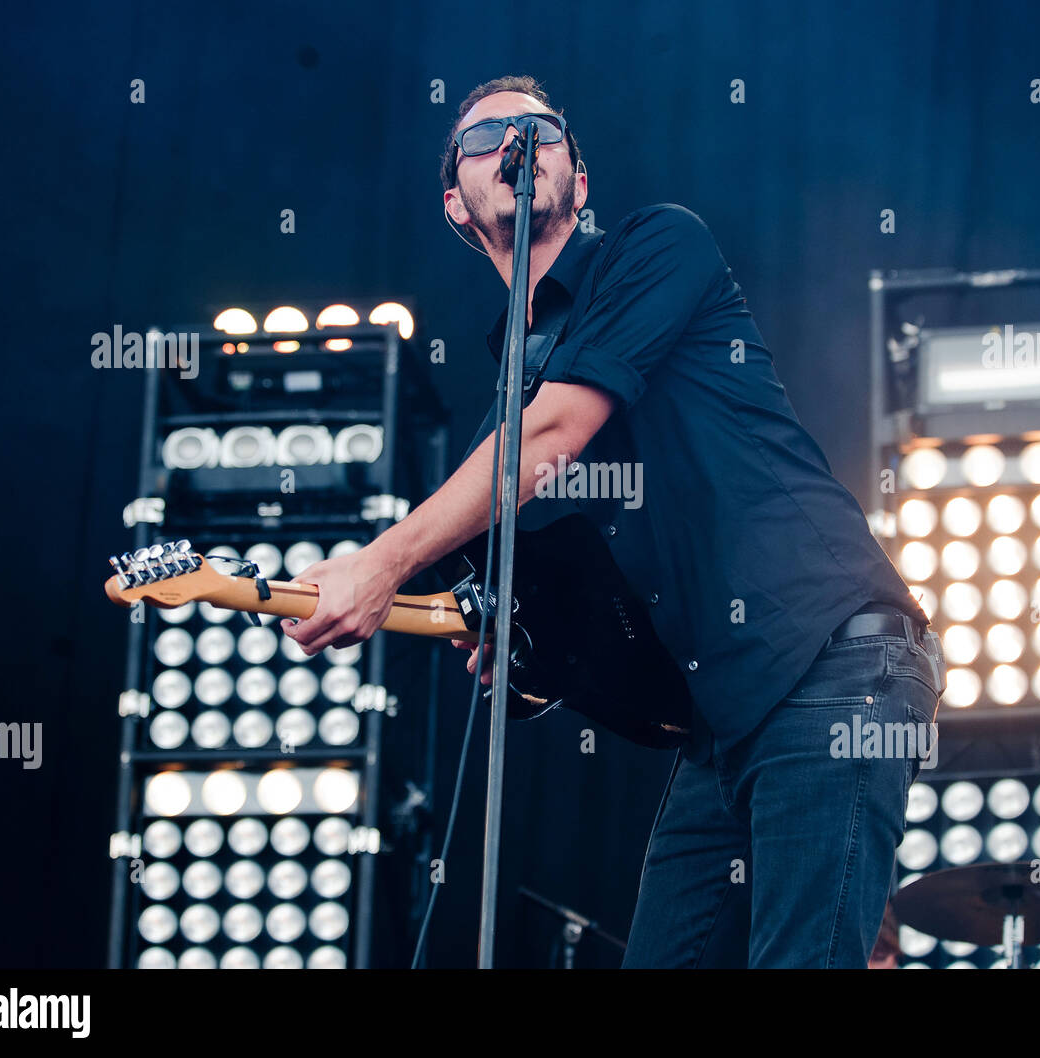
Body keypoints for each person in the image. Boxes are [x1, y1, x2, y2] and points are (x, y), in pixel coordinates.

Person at [283, 75, 946, 968]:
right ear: (456, 204)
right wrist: (522, 652)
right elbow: (519, 584)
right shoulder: (509, 400)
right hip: (727, 719)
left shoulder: (660, 245)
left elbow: (554, 433)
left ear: (579, 181)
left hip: (833, 663)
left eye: (541, 129)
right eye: (487, 138)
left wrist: (381, 560)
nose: (518, 141)